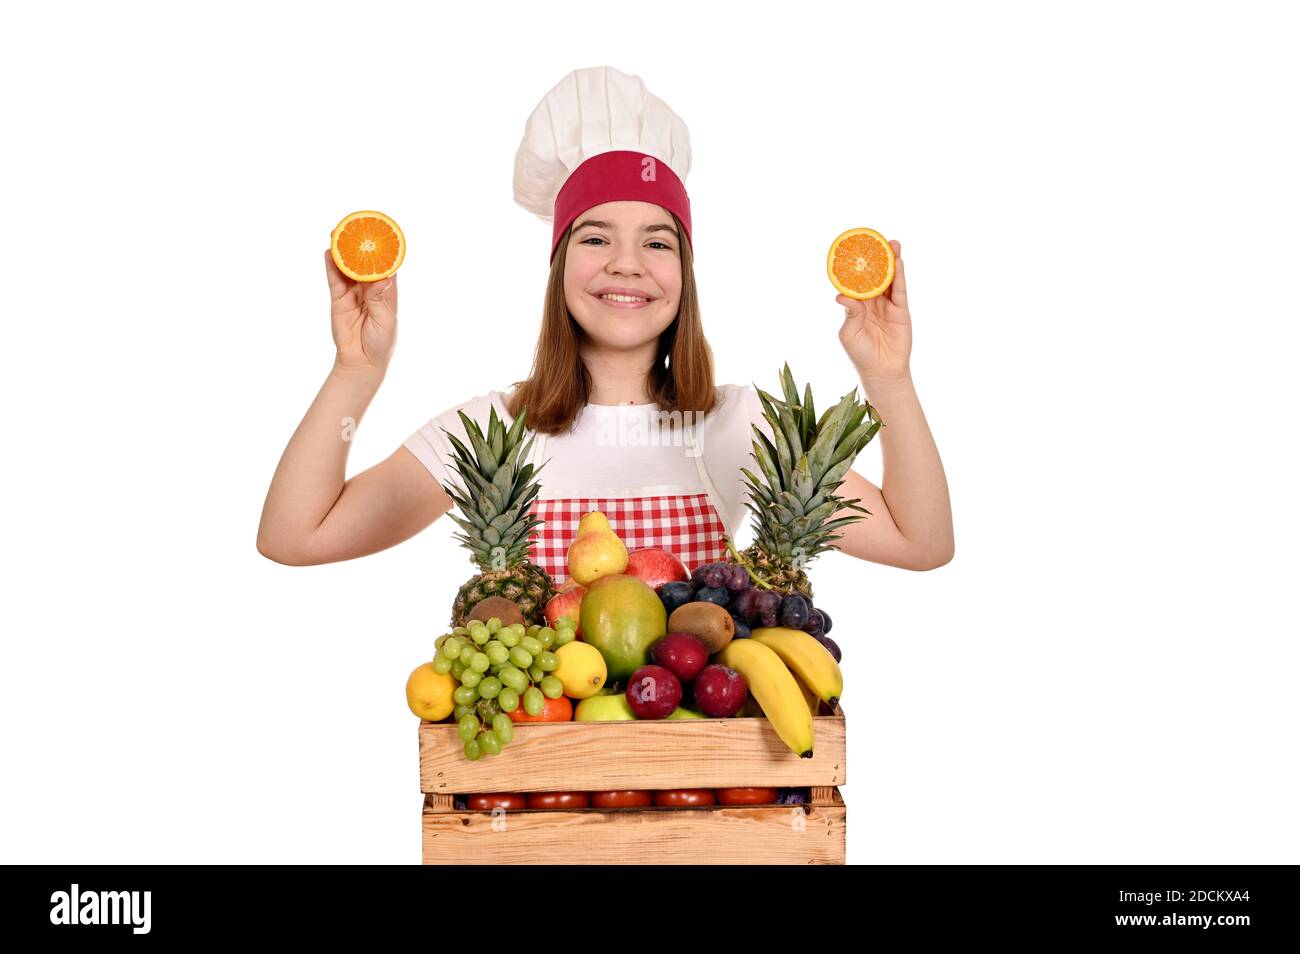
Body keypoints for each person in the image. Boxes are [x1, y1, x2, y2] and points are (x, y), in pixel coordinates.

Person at [256, 66, 953, 579]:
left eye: (657, 241)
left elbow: (920, 542)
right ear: (558, 266)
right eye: (594, 239)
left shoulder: (738, 422)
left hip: (707, 775)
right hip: (537, 772)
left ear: (685, 274)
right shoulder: (492, 433)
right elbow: (295, 535)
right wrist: (357, 373)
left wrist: (887, 378)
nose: (627, 264)